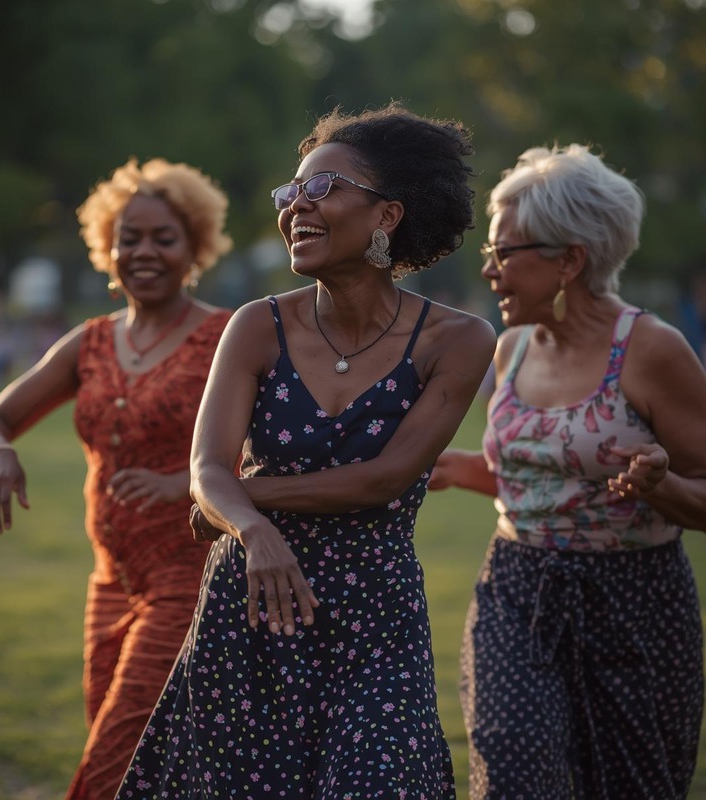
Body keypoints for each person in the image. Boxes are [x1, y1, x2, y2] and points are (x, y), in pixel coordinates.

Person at [115, 102, 496, 799]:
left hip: (372, 625)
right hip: (251, 611)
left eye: (322, 188)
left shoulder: (458, 340)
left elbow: (381, 480)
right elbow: (207, 468)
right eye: (292, 192)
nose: (297, 207)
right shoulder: (255, 326)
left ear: (387, 216)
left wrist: (238, 498)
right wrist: (252, 529)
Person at [428, 144, 706, 800]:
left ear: (570, 259)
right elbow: (537, 482)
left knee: (635, 786)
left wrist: (659, 485)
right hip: (517, 590)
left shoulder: (652, 350)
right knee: (516, 776)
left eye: (505, 253)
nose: (490, 270)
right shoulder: (510, 348)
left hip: (636, 603)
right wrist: (451, 470)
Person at [0, 157, 234, 800]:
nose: (143, 252)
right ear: (106, 249)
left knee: (120, 755)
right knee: (136, 753)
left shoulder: (226, 337)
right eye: (129, 238)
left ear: (194, 246)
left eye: (162, 238)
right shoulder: (88, 343)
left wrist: (188, 482)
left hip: (189, 576)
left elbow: (272, 453)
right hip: (110, 580)